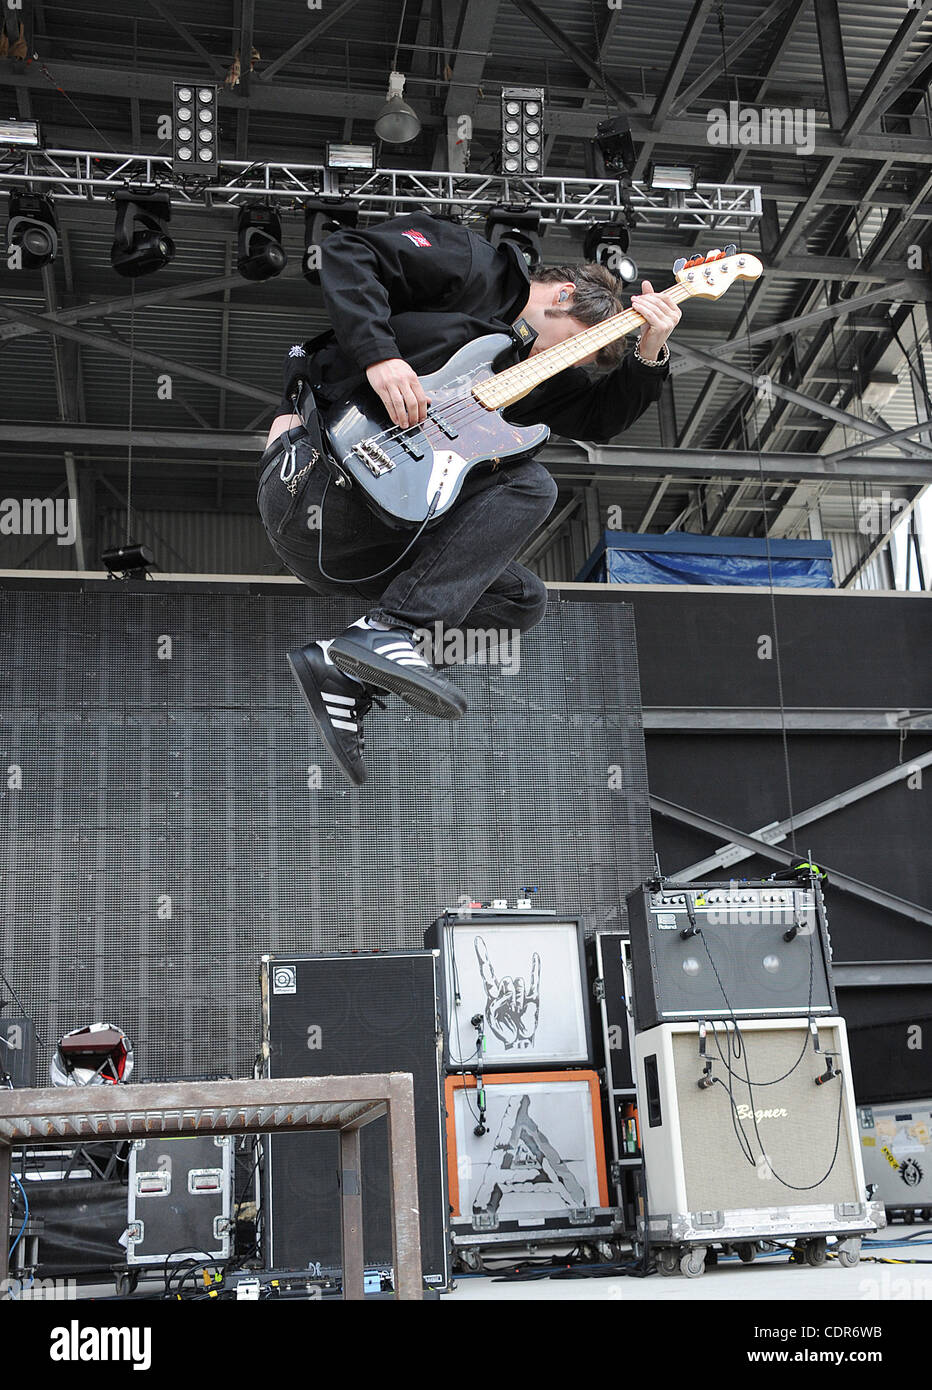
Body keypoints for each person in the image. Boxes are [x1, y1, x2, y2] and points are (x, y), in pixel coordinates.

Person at [256, 212, 680, 785]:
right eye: (570, 347)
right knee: (532, 485)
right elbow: (348, 252)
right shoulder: (473, 265)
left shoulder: (529, 383)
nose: (556, 367)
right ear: (561, 296)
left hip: (368, 544)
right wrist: (381, 356)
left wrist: (651, 350)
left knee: (520, 601)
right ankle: (390, 630)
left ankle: (345, 663)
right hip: (313, 483)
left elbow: (601, 417)